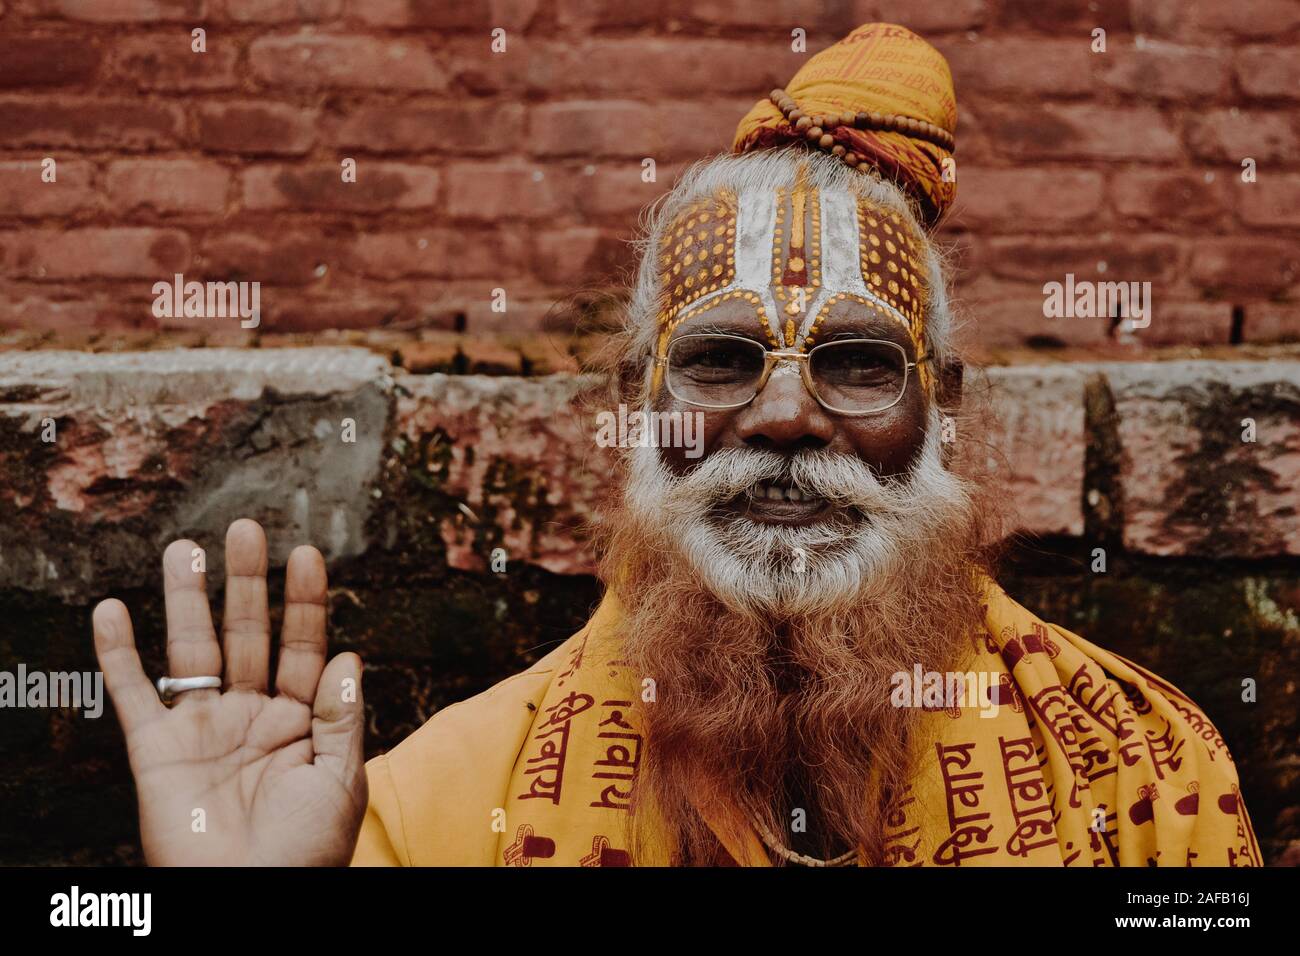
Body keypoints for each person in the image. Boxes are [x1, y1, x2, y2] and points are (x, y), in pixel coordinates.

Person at [91, 22, 1260, 867]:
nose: (789, 418)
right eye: (720, 358)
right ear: (633, 400)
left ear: (940, 409)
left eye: (857, 362)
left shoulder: (1143, 774)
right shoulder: (432, 809)